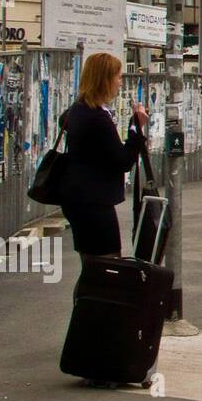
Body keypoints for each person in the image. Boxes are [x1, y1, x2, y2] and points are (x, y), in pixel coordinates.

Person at [58, 53, 149, 263]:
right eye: (117, 76)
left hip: (78, 197)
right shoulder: (98, 118)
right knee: (105, 264)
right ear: (105, 79)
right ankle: (93, 297)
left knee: (91, 262)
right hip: (93, 201)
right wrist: (136, 128)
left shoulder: (78, 110)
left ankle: (87, 296)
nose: (120, 82)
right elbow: (123, 160)